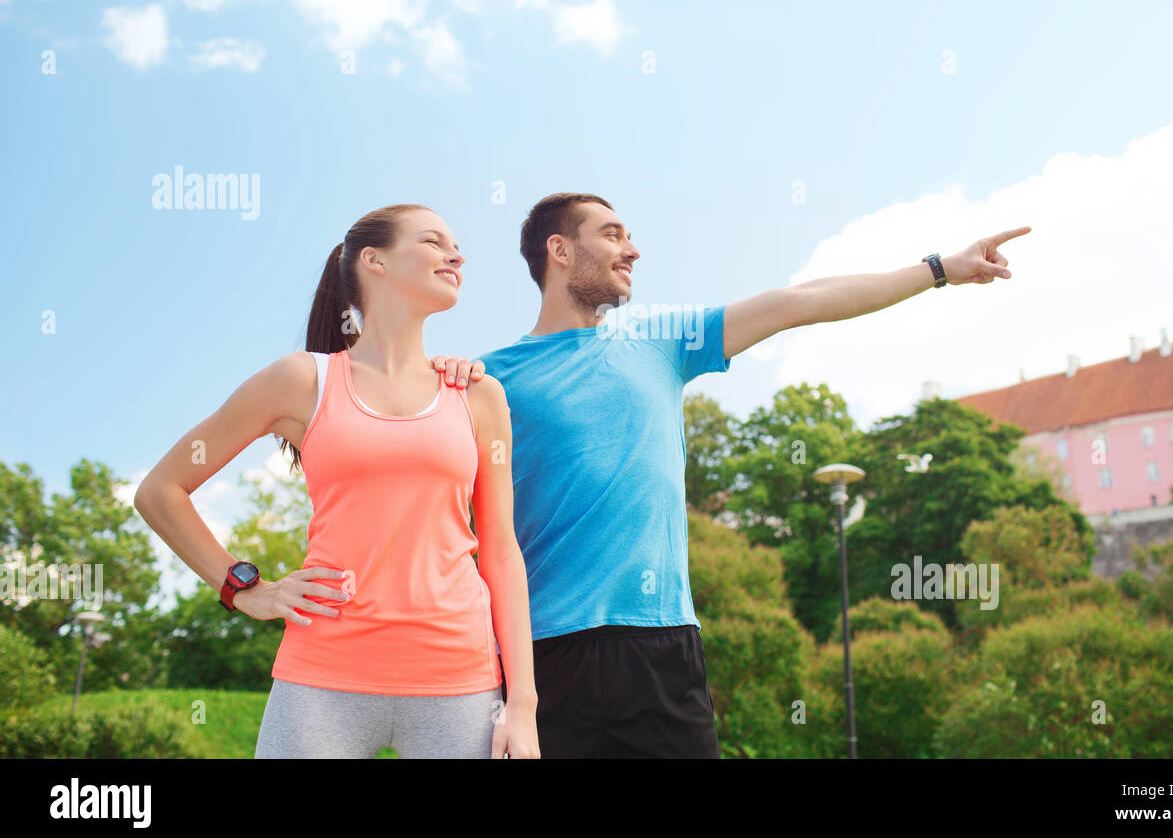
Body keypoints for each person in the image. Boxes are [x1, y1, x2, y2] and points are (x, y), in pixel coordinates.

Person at [465, 191, 1029, 758]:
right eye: (612, 234)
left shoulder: (661, 341)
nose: (632, 250)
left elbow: (797, 302)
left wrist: (939, 270)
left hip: (663, 646)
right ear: (559, 249)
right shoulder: (488, 380)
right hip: (544, 657)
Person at [134, 203, 539, 759]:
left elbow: (501, 552)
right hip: (321, 680)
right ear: (374, 260)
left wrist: (523, 704)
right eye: (433, 241)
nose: (457, 254)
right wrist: (247, 589)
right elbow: (161, 491)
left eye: (455, 244)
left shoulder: (477, 395)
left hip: (460, 682)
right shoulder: (302, 380)